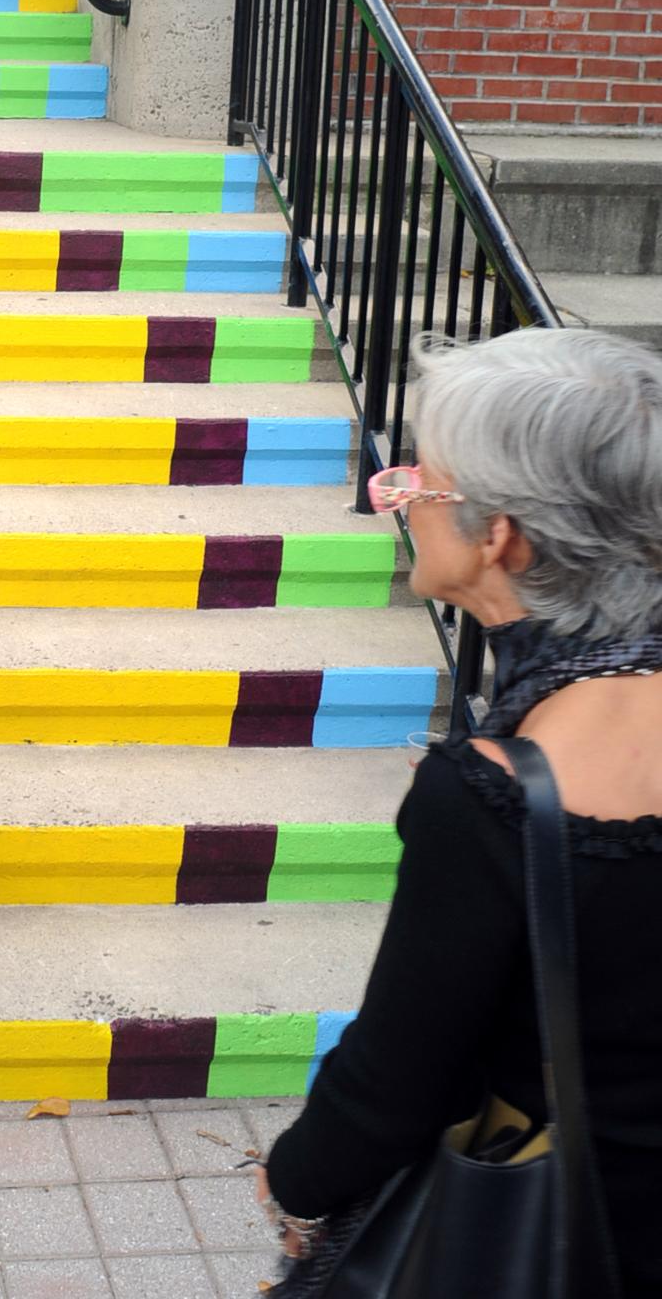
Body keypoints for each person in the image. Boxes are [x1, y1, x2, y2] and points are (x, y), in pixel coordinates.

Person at [256, 328, 662, 1293]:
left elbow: (400, 1075)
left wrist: (297, 1185)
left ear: (500, 536)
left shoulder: (498, 794)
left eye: (419, 485)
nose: (388, 499)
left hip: (569, 1236)